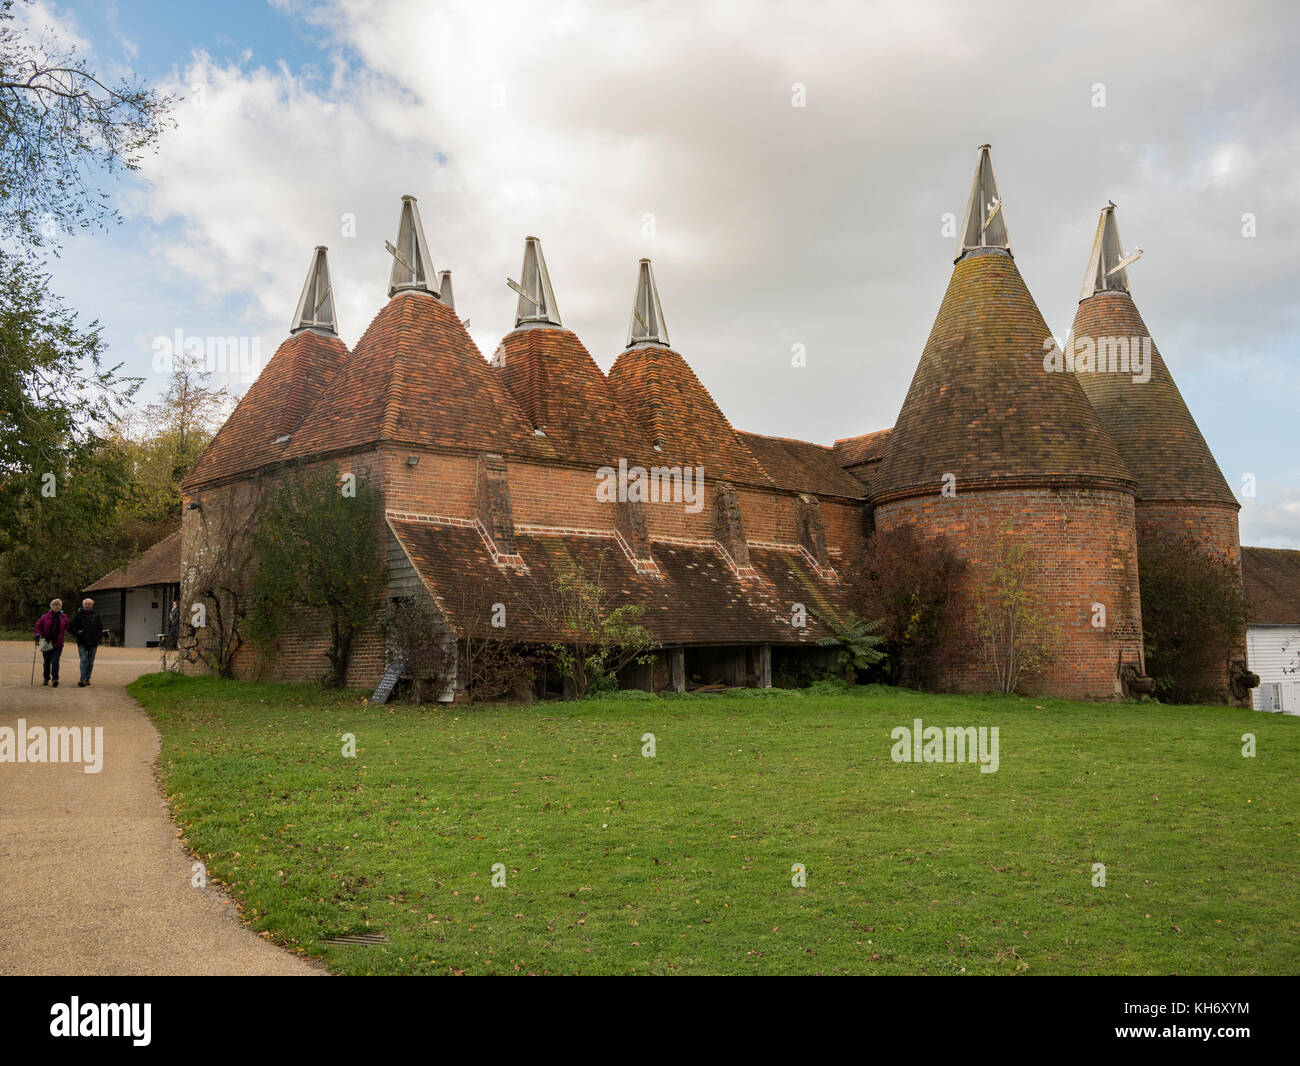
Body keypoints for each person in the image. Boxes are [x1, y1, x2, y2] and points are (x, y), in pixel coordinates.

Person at [67, 597, 104, 688]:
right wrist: (78, 634)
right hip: (82, 641)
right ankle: (82, 679)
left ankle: (87, 678)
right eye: (85, 604)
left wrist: (97, 637)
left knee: (90, 662)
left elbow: (100, 628)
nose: (87, 605)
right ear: (83, 605)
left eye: (89, 604)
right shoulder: (79, 615)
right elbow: (71, 627)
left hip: (93, 642)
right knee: (84, 660)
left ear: (92, 605)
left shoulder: (96, 615)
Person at [34, 599, 71, 687]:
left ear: (61, 607)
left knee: (55, 661)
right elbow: (38, 626)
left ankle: (55, 679)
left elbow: (69, 627)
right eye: (55, 605)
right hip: (47, 642)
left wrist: (78, 632)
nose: (57, 607)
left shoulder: (64, 617)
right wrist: (37, 634)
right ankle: (46, 677)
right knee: (47, 661)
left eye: (58, 605)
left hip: (58, 643)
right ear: (51, 606)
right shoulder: (45, 617)